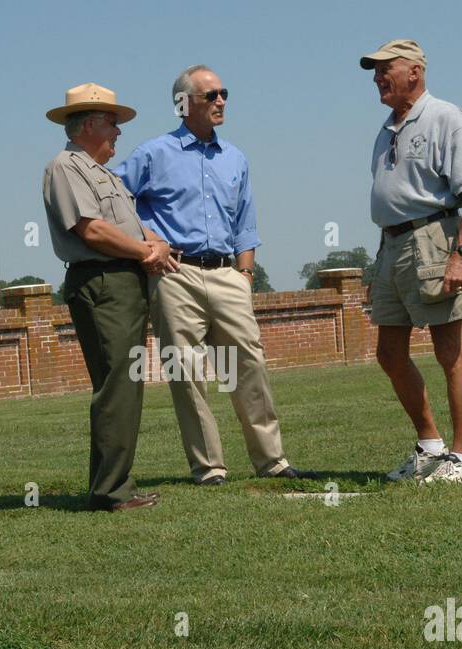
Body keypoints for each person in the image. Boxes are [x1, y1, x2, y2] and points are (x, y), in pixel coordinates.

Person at [114, 65, 316, 486]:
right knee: (186, 373)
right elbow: (116, 199)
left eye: (224, 93)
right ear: (183, 104)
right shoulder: (153, 153)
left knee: (249, 366)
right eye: (211, 95)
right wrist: (150, 239)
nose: (221, 101)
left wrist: (245, 273)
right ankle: (209, 467)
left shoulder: (236, 158)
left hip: (227, 274)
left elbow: (245, 221)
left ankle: (272, 461)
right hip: (175, 275)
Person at [41, 83, 179, 511]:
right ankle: (110, 492)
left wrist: (153, 243)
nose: (119, 133)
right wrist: (145, 252)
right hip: (102, 283)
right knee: (118, 384)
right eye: (113, 123)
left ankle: (113, 486)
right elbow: (92, 230)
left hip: (121, 282)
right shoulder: (66, 167)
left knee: (125, 383)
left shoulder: (104, 175)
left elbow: (131, 226)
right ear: (89, 125)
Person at [360, 40, 462, 484]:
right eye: (373, 71)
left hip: (433, 240)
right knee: (389, 353)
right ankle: (430, 446)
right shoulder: (385, 130)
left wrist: (461, 255)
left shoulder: (444, 117)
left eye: (384, 69)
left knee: (448, 352)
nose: (377, 77)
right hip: (391, 247)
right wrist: (381, 260)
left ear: (414, 71)